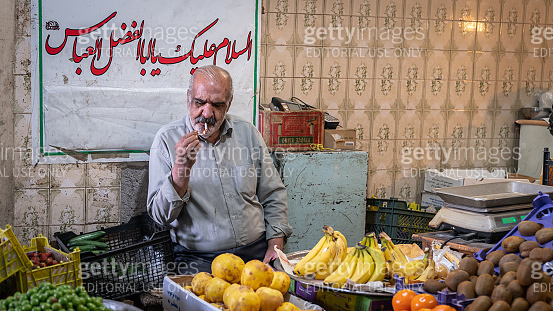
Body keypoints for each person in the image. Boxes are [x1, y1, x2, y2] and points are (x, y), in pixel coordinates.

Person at [147, 65, 292, 274]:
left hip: (256, 253)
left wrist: (274, 246)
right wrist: (181, 170)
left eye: (217, 105)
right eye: (199, 103)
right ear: (189, 98)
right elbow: (160, 216)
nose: (207, 113)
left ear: (229, 103)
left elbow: (273, 194)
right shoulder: (166, 140)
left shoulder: (247, 133)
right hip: (199, 260)